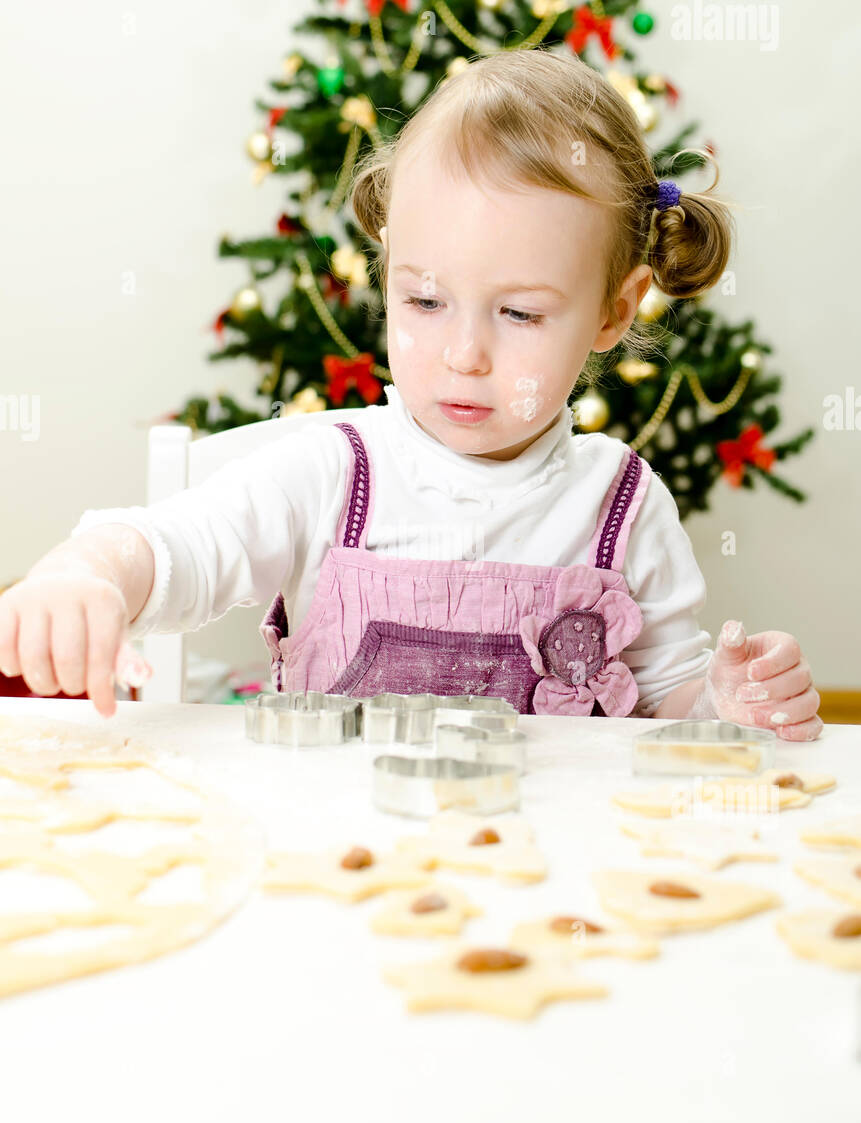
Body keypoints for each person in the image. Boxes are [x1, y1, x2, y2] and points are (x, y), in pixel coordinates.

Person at [0, 48, 821, 739]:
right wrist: (88, 571)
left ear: (615, 309)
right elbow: (176, 548)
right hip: (336, 874)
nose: (463, 353)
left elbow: (665, 710)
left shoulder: (622, 505)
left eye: (520, 312)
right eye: (424, 300)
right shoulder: (332, 474)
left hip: (547, 887)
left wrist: (723, 704)